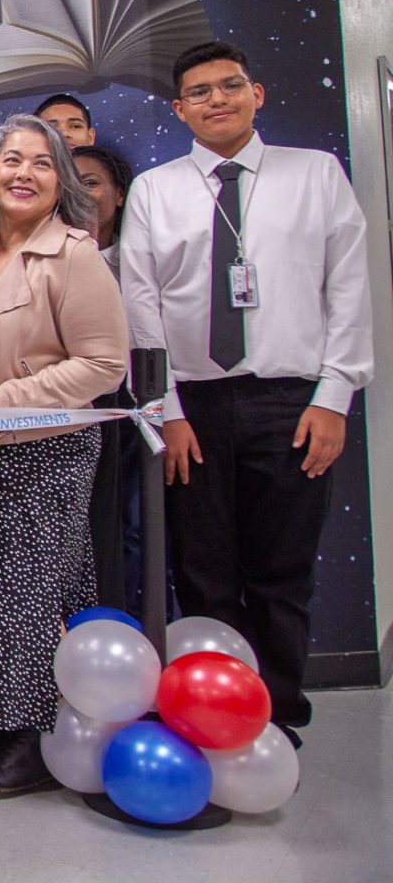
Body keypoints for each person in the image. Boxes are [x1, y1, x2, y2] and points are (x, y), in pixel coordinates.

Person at [120, 41, 372, 746]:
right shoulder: (157, 189)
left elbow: (349, 288)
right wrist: (166, 410)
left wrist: (335, 396)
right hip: (192, 408)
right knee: (202, 571)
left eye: (229, 86)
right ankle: (212, 716)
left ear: (256, 93)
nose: (217, 100)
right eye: (199, 92)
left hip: (294, 402)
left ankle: (277, 715)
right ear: (179, 109)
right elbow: (140, 303)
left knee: (281, 571)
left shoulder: (315, 174)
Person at [0, 114, 127, 798]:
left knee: (29, 593)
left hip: (44, 450)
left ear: (60, 181)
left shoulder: (74, 255)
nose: (25, 173)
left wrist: (8, 399)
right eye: (13, 159)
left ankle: (35, 738)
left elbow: (103, 364)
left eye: (42, 163)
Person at [72, 144, 137, 609]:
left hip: (136, 405)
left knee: (129, 525)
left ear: (119, 195)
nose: (80, 193)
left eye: (92, 183)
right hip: (74, 409)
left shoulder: (140, 259)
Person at [73, 145, 132, 273]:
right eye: (66, 186)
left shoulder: (138, 261)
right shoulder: (40, 263)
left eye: (90, 184)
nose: (77, 194)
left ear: (120, 195)